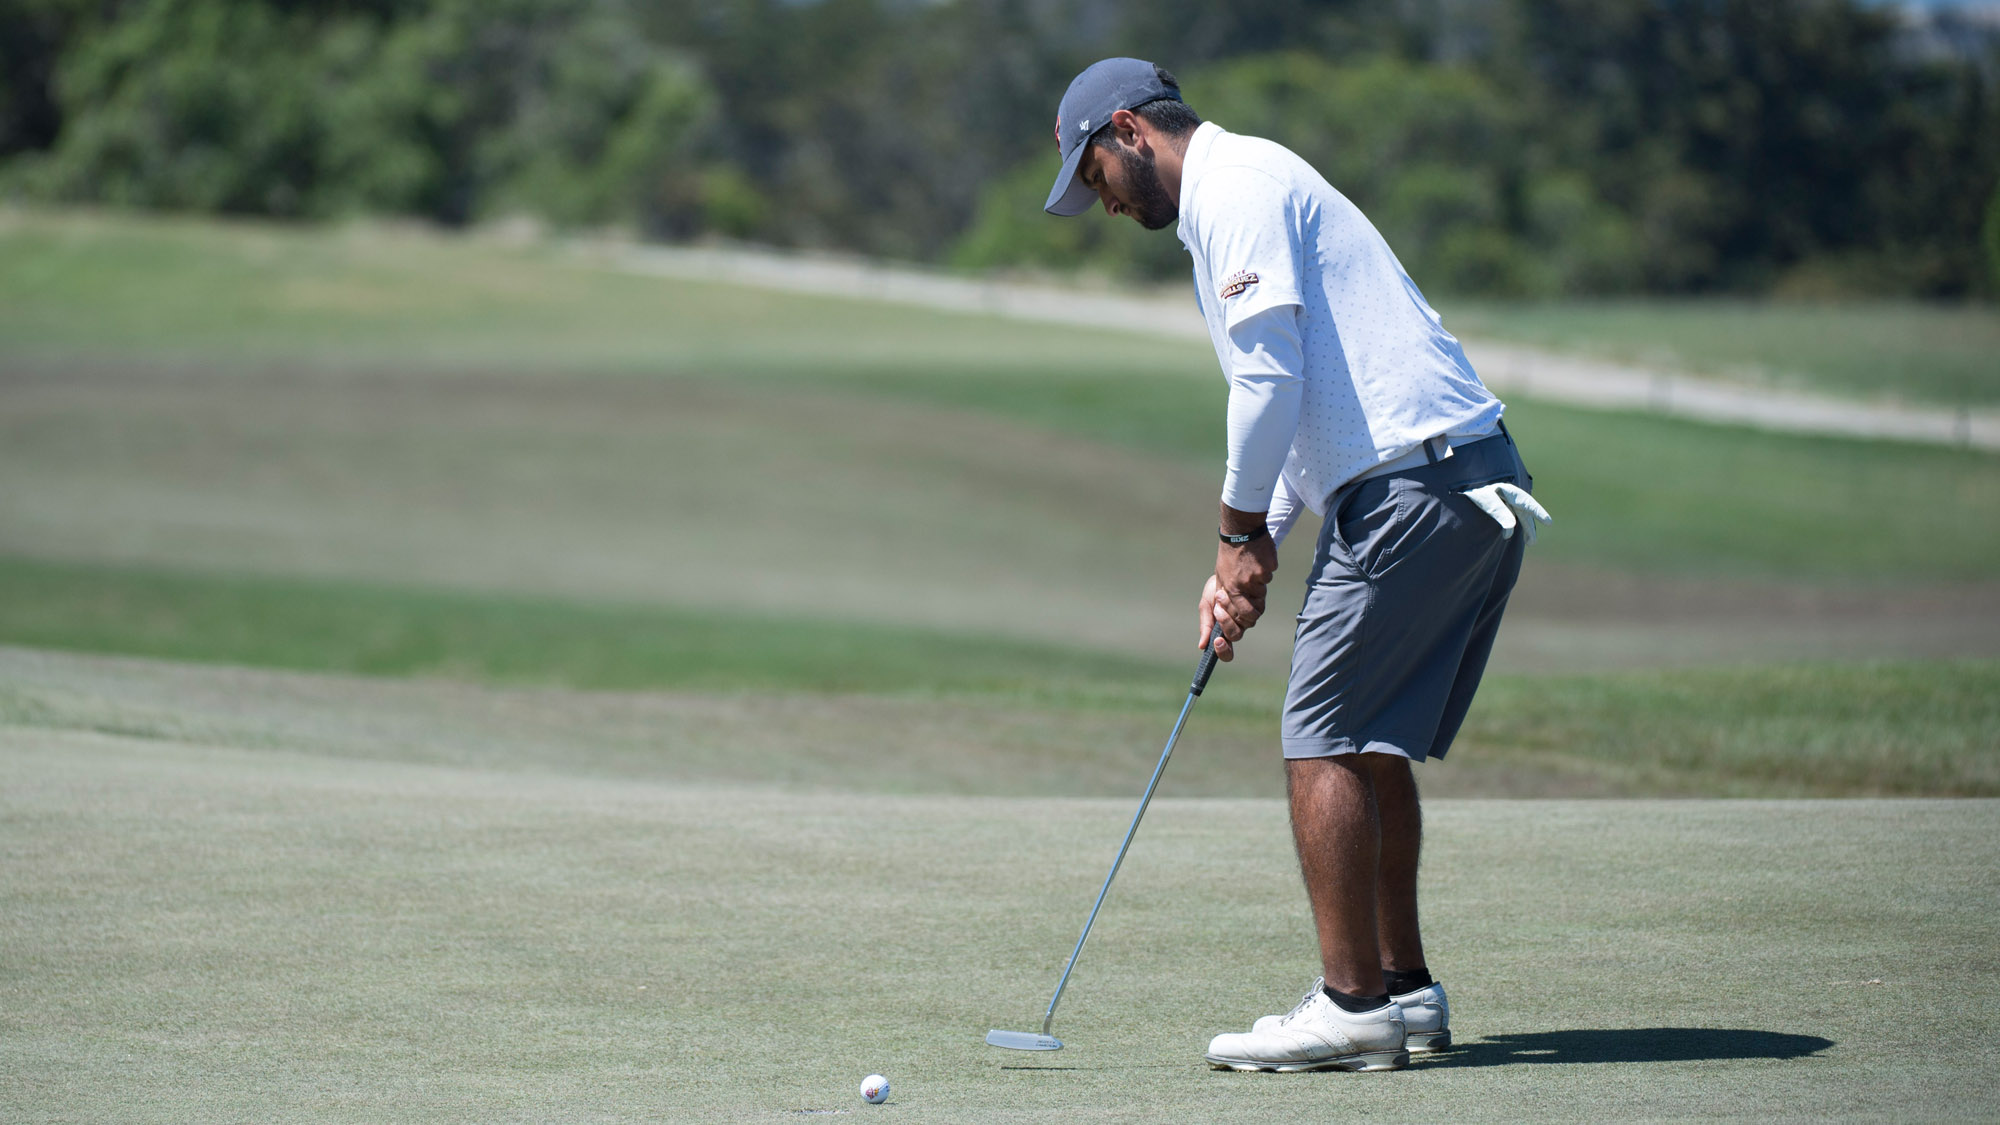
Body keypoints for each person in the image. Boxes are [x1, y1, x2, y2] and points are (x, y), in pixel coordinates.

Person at [1042, 57, 1551, 1073]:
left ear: (1128, 130)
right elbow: (1305, 392)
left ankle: (1350, 1006)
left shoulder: (1233, 189)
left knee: (1318, 738)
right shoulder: (1248, 186)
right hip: (1463, 476)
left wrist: (1235, 534)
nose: (1096, 202)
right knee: (1364, 743)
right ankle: (1401, 991)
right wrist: (1249, 541)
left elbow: (1268, 380)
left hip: (1412, 489)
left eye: (1090, 171)